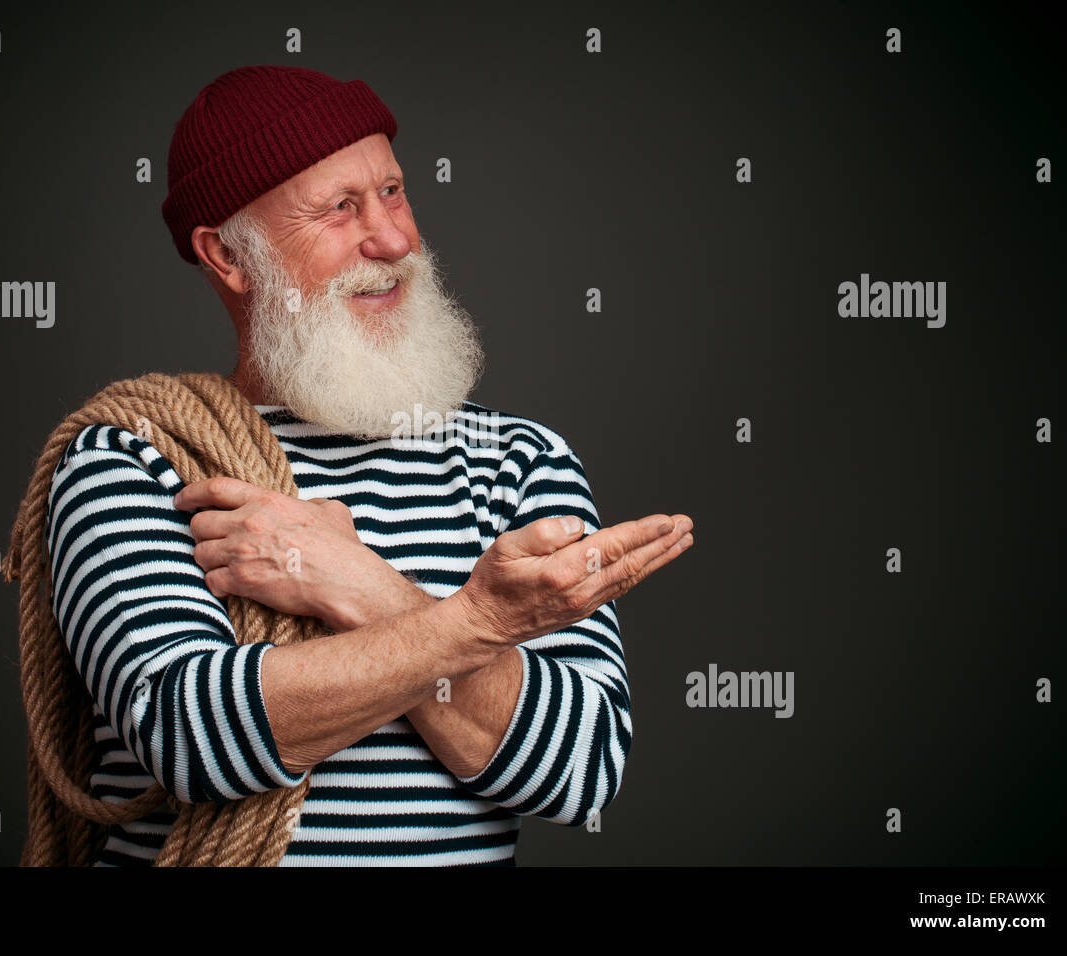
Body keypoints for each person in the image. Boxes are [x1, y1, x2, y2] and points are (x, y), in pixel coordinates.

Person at [47, 64, 694, 866]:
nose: (393, 239)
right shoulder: (133, 456)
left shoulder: (518, 462)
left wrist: (357, 583)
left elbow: (580, 770)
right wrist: (475, 625)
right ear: (228, 256)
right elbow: (192, 743)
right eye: (340, 209)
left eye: (393, 192)